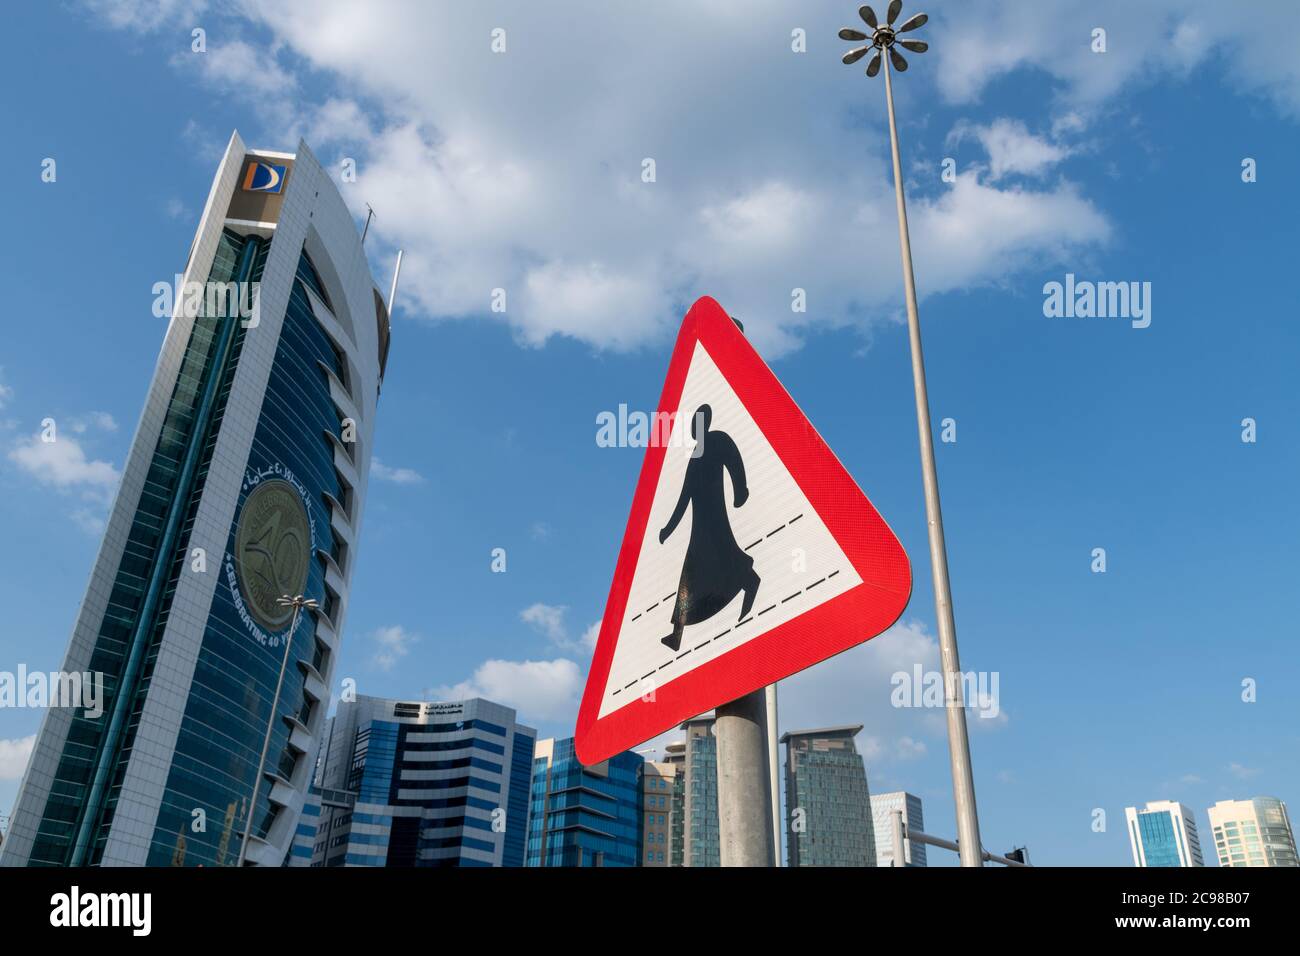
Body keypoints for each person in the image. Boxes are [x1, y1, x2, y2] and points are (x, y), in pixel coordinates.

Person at [659, 404, 760, 652]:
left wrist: (741, 492)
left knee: (723, 554)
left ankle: (751, 581)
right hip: (699, 524)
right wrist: (668, 528)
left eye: (697, 422)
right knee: (690, 575)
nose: (695, 428)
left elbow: (734, 460)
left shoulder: (717, 440)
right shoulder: (695, 454)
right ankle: (676, 635)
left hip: (715, 517)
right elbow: (684, 496)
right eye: (693, 425)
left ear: (705, 422)